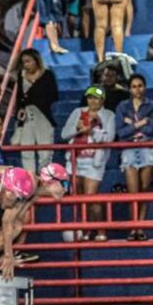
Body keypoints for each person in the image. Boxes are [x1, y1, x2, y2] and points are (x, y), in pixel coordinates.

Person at [62, 86, 116, 241]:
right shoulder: (77, 112)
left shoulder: (108, 115)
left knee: (91, 196)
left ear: (102, 100)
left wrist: (91, 131)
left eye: (96, 98)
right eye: (90, 97)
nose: (93, 101)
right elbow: (64, 133)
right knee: (77, 196)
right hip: (74, 160)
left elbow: (109, 138)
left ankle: (101, 230)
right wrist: (78, 129)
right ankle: (86, 229)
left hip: (94, 161)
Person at [115, 74, 153, 240]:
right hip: (128, 149)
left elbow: (152, 130)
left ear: (145, 87)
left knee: (144, 190)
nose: (137, 89)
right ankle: (133, 226)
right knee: (133, 192)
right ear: (129, 89)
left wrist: (131, 124)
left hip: (148, 148)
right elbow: (120, 132)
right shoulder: (122, 107)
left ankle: (140, 227)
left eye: (140, 85)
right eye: (134, 86)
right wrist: (140, 124)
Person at [11, 49, 59, 174]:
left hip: (43, 114)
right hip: (26, 115)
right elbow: (19, 97)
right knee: (26, 149)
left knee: (45, 150)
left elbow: (53, 95)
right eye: (24, 62)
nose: (26, 65)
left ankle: (43, 175)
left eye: (28, 61)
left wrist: (34, 97)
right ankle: (30, 176)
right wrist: (19, 111)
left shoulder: (47, 74)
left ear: (36, 61)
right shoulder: (21, 76)